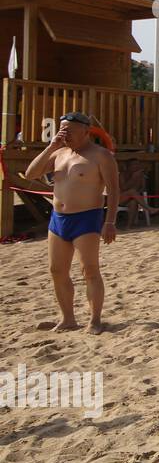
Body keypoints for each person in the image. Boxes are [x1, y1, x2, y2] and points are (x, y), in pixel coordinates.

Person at [22, 112, 119, 333]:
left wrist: (110, 221)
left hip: (87, 217)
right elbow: (30, 174)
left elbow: (114, 190)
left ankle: (94, 319)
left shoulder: (100, 155)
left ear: (86, 131)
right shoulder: (59, 154)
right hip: (58, 219)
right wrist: (51, 146)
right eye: (62, 129)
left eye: (70, 130)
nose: (65, 134)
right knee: (56, 270)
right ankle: (68, 318)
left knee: (89, 270)